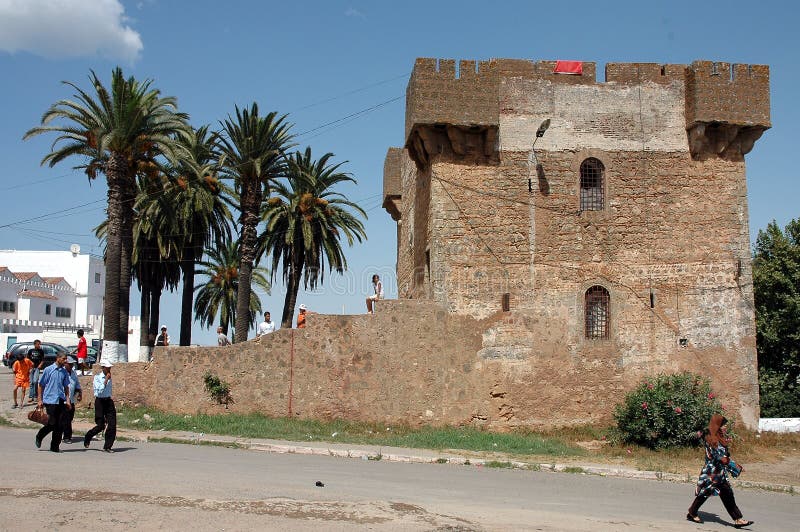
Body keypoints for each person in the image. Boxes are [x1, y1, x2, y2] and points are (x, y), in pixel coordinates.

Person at [686, 414, 753, 527]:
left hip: (720, 472)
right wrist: (734, 466)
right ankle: (692, 512)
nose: (723, 427)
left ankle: (738, 519)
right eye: (722, 425)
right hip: (711, 472)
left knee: (728, 494)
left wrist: (733, 465)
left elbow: (725, 456)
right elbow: (718, 457)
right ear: (716, 425)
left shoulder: (720, 438)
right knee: (705, 493)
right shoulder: (709, 438)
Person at [34, 353, 71, 453]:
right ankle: (40, 435)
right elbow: (41, 385)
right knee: (52, 423)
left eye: (66, 359)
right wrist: (39, 400)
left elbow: (66, 387)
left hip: (60, 400)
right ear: (58, 358)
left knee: (60, 425)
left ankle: (55, 447)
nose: (65, 361)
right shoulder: (48, 370)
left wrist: (67, 400)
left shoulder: (64, 372)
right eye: (63, 359)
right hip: (49, 400)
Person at [84, 360, 117, 453]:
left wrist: (108, 379)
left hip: (108, 401)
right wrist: (106, 380)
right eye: (107, 368)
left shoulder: (110, 377)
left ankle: (108, 446)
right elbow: (99, 391)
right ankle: (89, 435)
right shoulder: (97, 377)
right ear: (103, 368)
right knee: (100, 425)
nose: (109, 369)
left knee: (112, 424)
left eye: (110, 368)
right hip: (100, 401)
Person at [61, 356, 82, 444]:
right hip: (63, 400)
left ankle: (62, 431)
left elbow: (77, 384)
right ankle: (67, 437)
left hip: (71, 400)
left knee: (69, 418)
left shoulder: (73, 373)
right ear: (65, 364)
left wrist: (79, 393)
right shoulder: (61, 372)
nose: (71, 365)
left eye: (72, 364)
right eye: (69, 364)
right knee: (66, 418)